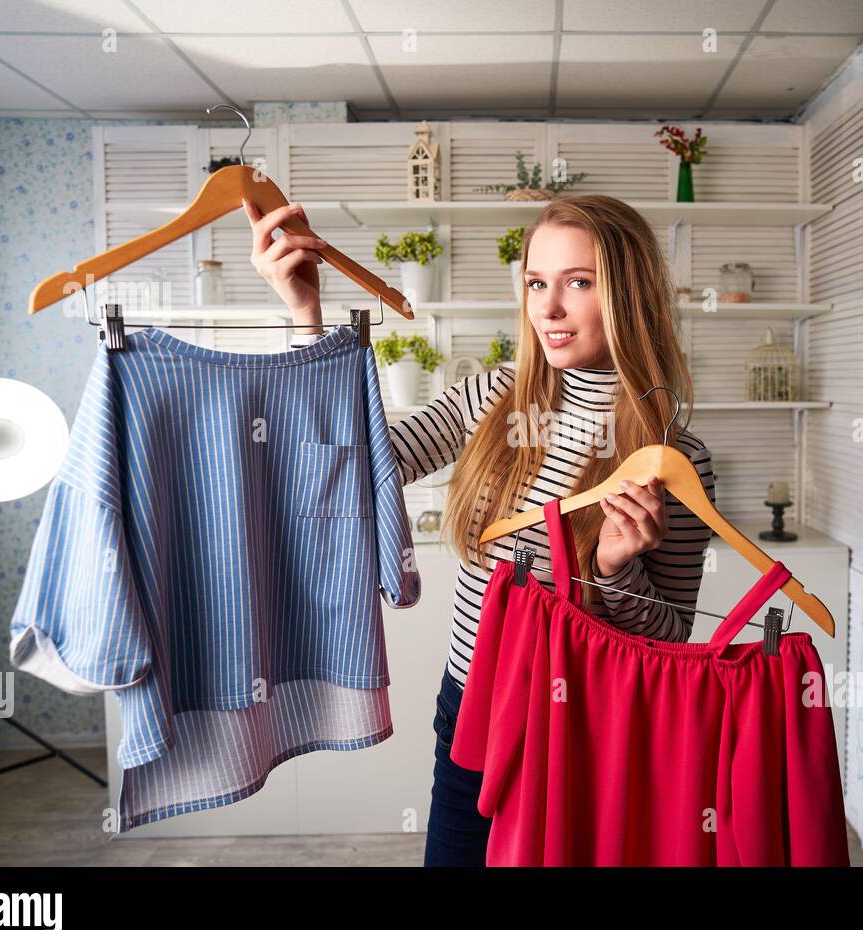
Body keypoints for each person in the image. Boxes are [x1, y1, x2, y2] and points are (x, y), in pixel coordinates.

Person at [244, 193, 716, 866]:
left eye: (579, 283)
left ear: (630, 294)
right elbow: (348, 469)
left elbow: (669, 641)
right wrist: (305, 318)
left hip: (589, 734)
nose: (548, 309)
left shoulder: (675, 459)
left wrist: (618, 570)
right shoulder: (492, 397)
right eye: (537, 283)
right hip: (472, 708)